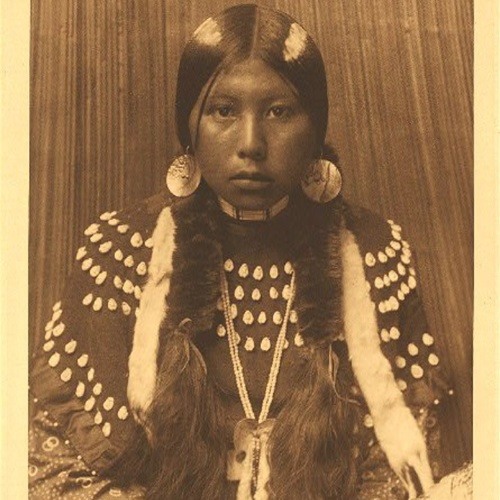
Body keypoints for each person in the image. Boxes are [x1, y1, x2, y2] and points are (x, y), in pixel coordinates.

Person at [29, 4, 468, 499]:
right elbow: (56, 471)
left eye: (279, 112)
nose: (251, 143)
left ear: (315, 128)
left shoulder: (375, 255)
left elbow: (394, 479)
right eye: (223, 110)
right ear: (189, 126)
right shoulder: (119, 254)